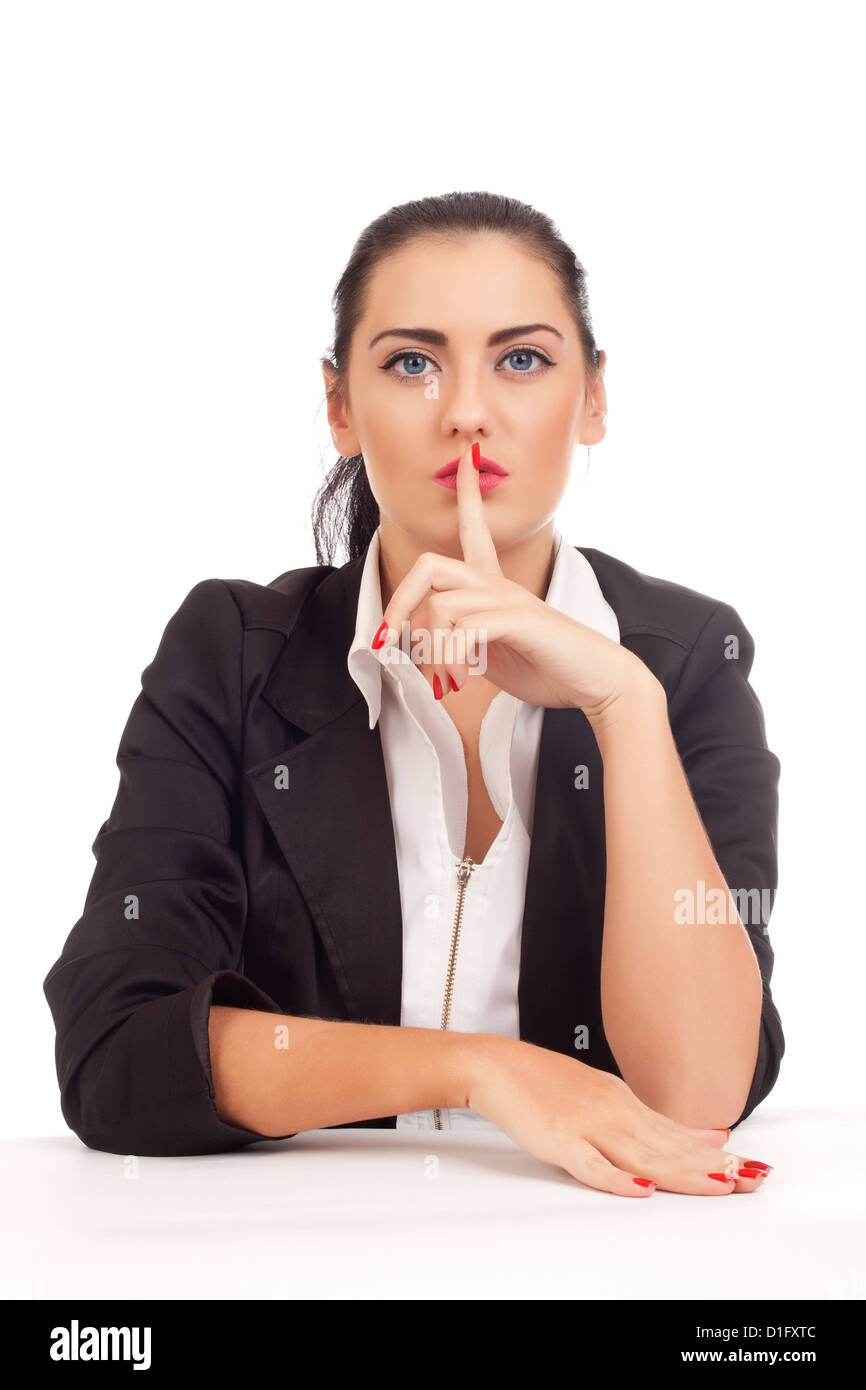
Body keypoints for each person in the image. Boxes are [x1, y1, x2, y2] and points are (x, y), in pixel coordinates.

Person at [43, 191, 781, 1196]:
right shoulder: (232, 650)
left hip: (591, 1264)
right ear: (339, 407)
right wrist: (484, 1072)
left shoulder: (684, 656)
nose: (466, 410)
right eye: (410, 362)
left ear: (594, 400)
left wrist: (621, 704)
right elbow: (118, 1051)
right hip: (296, 1252)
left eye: (521, 359)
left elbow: (695, 1092)